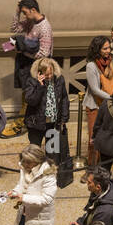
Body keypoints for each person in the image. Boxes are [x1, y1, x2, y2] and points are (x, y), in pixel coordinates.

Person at [3, 0, 54, 138]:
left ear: (33, 10)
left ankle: (20, 125)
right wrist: (17, 11)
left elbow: (44, 53)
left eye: (25, 12)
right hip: (26, 64)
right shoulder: (30, 22)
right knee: (26, 95)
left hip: (37, 67)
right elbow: (14, 28)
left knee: (29, 97)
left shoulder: (45, 27)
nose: (24, 16)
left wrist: (22, 49)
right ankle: (25, 123)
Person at [24, 56, 71, 186]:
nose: (49, 76)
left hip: (53, 123)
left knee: (52, 153)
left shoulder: (59, 79)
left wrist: (64, 119)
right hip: (36, 124)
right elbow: (31, 101)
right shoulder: (32, 81)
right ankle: (34, 178)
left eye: (51, 73)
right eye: (46, 74)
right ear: (40, 73)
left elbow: (64, 99)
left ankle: (50, 179)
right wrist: (40, 86)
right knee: (35, 153)